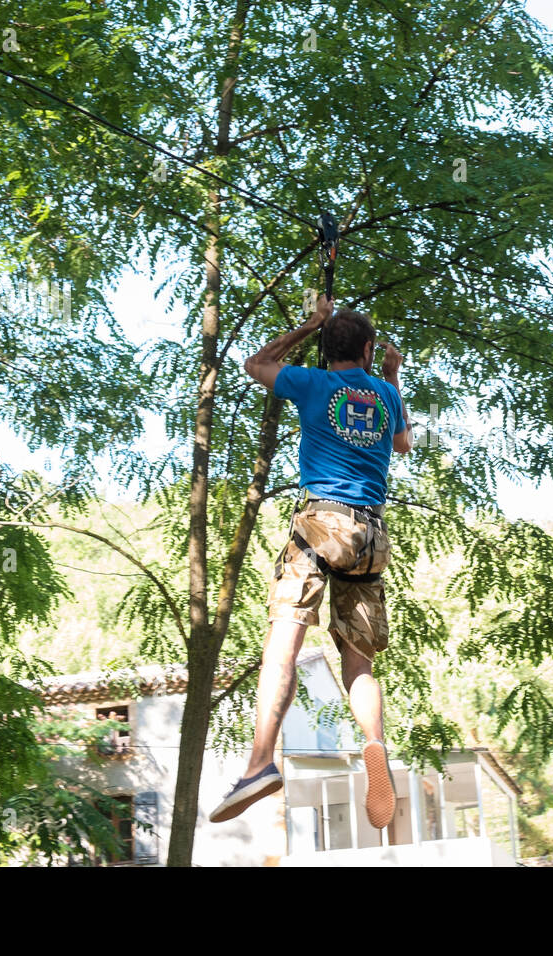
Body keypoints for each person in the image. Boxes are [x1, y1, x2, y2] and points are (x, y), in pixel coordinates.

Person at [209, 294, 412, 830]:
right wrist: (391, 377)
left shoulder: (313, 384)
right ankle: (375, 745)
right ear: (369, 350)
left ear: (328, 351)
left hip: (321, 523)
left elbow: (256, 365)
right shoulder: (387, 396)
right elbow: (405, 443)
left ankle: (259, 765)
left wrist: (309, 324)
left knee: (283, 645)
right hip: (370, 536)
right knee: (359, 663)